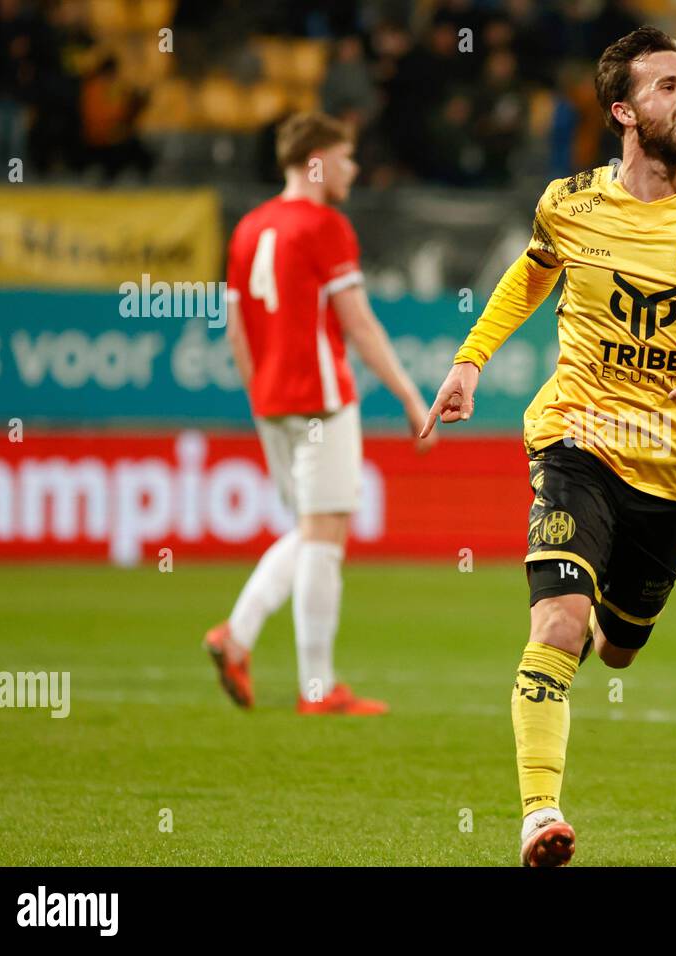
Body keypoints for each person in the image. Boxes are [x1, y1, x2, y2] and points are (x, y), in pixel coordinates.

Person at [421, 27, 676, 866]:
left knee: (619, 645)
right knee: (558, 625)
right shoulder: (568, 203)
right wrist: (469, 360)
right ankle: (538, 817)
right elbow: (532, 270)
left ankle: (613, 616)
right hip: (576, 441)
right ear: (624, 111)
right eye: (670, 84)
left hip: (673, 470)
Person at [205, 112, 435, 715]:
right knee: (326, 537)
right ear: (316, 161)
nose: (352, 168)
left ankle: (239, 638)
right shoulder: (325, 226)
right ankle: (314, 685)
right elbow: (358, 323)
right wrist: (411, 397)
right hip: (321, 399)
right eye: (344, 157)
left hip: (271, 402)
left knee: (312, 531)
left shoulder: (248, 228)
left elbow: (234, 332)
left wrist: (260, 395)